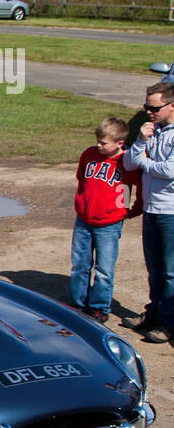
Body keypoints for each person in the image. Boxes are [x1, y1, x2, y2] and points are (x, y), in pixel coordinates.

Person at [71, 117, 142, 323]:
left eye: (104, 143)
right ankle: (77, 303)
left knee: (104, 269)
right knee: (79, 264)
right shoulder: (89, 154)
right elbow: (82, 179)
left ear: (120, 143)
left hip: (109, 223)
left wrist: (130, 210)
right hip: (84, 219)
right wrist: (82, 203)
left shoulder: (127, 162)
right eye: (98, 141)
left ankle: (99, 307)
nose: (99, 146)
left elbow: (136, 188)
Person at [124, 82, 174, 345]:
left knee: (169, 272)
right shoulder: (151, 131)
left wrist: (145, 162)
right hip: (151, 208)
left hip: (171, 212)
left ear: (171, 106)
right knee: (154, 269)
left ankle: (168, 323)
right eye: (146, 107)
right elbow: (129, 163)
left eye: (153, 108)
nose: (148, 113)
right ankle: (153, 314)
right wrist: (141, 141)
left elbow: (168, 171)